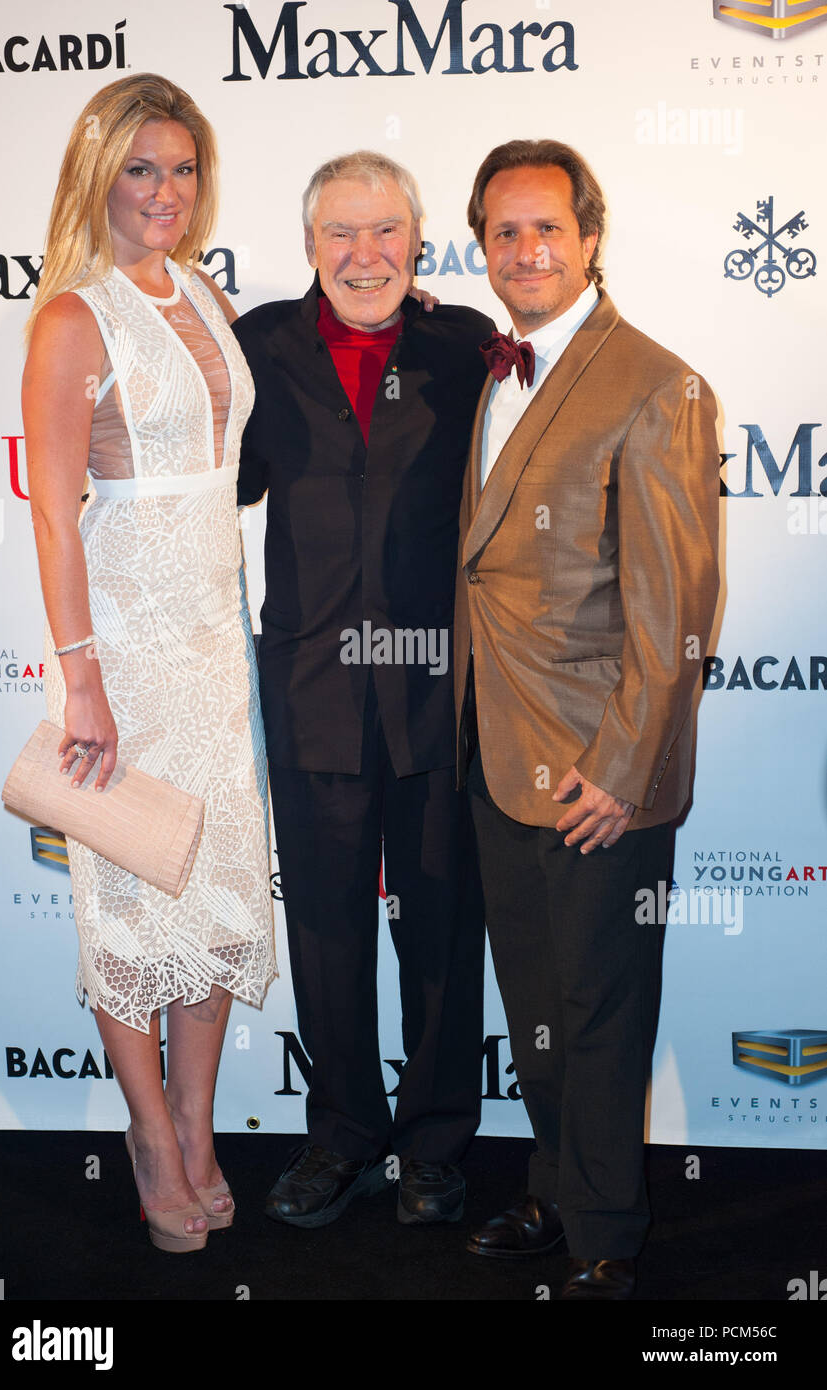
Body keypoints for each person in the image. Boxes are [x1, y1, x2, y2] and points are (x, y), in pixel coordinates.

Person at [455, 139, 720, 1298]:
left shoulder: (656, 383)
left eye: (545, 229)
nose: (524, 251)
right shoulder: (490, 372)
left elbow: (678, 604)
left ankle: (606, 1232)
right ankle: (555, 1189)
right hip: (495, 745)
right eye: (503, 233)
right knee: (535, 998)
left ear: (591, 238)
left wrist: (623, 766)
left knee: (600, 1005)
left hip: (595, 764)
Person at [22, 73, 275, 1253]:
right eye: (140, 169)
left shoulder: (204, 291)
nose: (164, 191)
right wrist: (83, 678)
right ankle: (151, 1138)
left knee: (214, 887)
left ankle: (197, 1121)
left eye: (179, 168)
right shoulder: (74, 317)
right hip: (120, 653)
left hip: (215, 646)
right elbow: (57, 514)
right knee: (127, 896)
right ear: (99, 177)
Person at [233, 152, 493, 1227]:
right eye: (340, 233)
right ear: (307, 247)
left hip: (438, 688)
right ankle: (342, 1131)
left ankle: (435, 1140)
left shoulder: (467, 345)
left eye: (385, 231)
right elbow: (211, 482)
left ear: (418, 243)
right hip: (313, 686)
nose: (364, 254)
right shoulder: (255, 346)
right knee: (328, 931)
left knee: (439, 923)